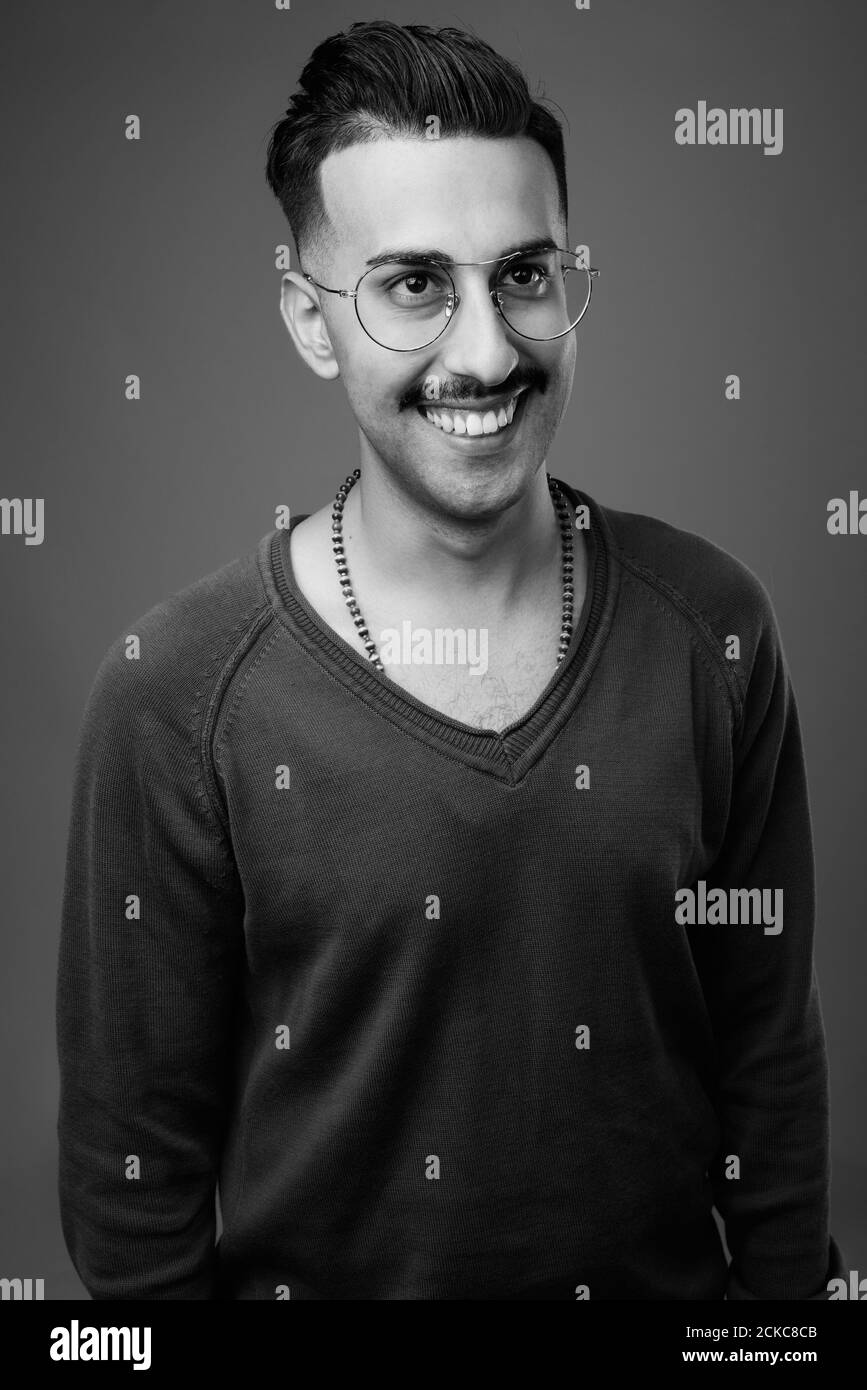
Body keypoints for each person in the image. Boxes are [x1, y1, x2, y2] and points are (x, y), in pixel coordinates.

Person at [56, 19, 845, 1300]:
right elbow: (130, 1193)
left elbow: (770, 1073)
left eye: (523, 275)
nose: (486, 352)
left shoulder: (716, 629)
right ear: (310, 320)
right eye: (414, 284)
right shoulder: (176, 694)